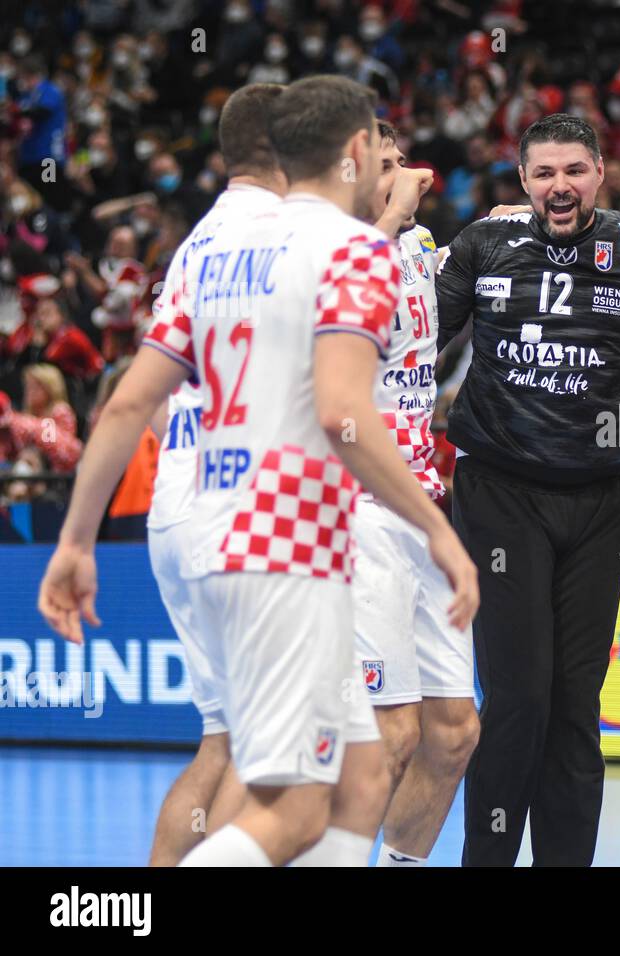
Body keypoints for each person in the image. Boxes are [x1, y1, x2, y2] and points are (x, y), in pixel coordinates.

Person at [38, 75, 478, 868]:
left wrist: (77, 540)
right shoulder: (355, 250)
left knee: (363, 766)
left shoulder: (211, 246)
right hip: (291, 542)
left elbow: (128, 405)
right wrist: (436, 526)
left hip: (214, 528)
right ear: (354, 152)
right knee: (292, 804)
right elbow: (346, 415)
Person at [435, 112, 620, 866]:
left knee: (576, 706)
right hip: (499, 493)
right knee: (519, 698)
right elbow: (413, 344)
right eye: (544, 173)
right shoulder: (483, 244)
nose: (561, 186)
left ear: (601, 174)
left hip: (597, 500)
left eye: (575, 171)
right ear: (523, 182)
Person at [142, 82, 289, 868]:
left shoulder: (197, 241)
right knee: (276, 763)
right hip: (238, 517)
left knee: (224, 741)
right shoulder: (287, 233)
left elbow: (150, 392)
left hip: (177, 503)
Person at [351, 122, 480, 869]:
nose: (399, 178)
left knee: (454, 731)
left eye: (401, 165)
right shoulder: (331, 252)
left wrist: (500, 230)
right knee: (390, 733)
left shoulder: (417, 246)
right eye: (380, 168)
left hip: (424, 509)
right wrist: (392, 211)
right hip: (356, 509)